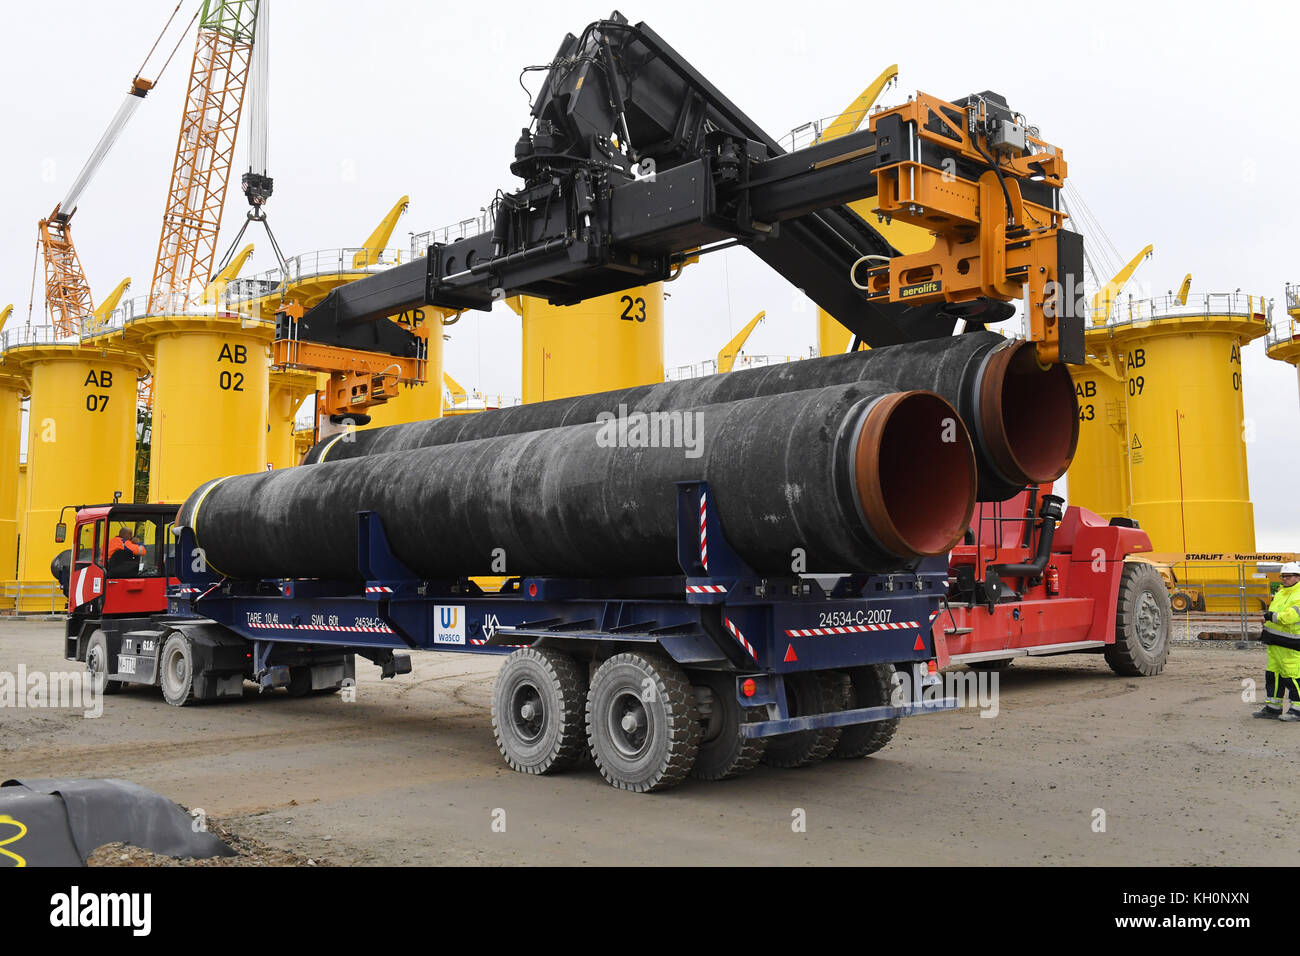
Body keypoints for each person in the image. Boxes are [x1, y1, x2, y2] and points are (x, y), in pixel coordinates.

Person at [1255, 562, 1300, 720]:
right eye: (1283, 576)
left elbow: (1290, 617)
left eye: (1288, 576)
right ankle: (1273, 708)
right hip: (1275, 642)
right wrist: (1267, 621)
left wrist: (1269, 616)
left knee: (1292, 676)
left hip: (1291, 644)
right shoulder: (1282, 592)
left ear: (1297, 577)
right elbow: (1275, 612)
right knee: (1273, 675)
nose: (1285, 579)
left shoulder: (1299, 594)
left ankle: (1297, 710)